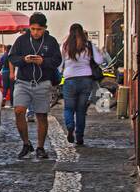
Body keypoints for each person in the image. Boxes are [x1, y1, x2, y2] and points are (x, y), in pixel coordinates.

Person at [8, 13, 62, 160]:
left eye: (39, 29)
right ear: (29, 28)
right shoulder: (21, 40)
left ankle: (40, 147)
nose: (36, 32)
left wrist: (43, 61)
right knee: (19, 111)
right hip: (23, 82)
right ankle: (26, 143)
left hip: (43, 82)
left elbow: (57, 60)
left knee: (41, 115)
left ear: (44, 28)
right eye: (33, 29)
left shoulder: (51, 42)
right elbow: (12, 57)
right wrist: (24, 60)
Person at [60, 23, 108, 146]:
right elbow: (99, 61)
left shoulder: (65, 45)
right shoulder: (89, 45)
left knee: (68, 108)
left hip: (70, 80)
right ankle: (79, 137)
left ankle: (70, 126)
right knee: (81, 111)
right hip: (86, 79)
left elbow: (59, 64)